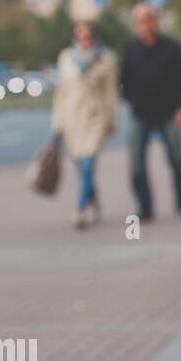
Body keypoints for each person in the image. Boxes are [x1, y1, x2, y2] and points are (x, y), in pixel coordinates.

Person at [119, 2, 181, 220]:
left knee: (176, 158)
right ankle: (145, 208)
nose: (145, 25)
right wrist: (130, 97)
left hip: (169, 113)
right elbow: (122, 81)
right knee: (136, 164)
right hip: (140, 114)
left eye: (148, 19)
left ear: (155, 22)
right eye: (140, 21)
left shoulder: (172, 47)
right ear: (136, 25)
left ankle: (180, 200)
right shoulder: (130, 50)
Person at [50, 21, 119, 228]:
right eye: (80, 36)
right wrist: (57, 123)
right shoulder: (66, 57)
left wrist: (112, 121)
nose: (84, 40)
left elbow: (111, 93)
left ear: (94, 37)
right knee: (82, 168)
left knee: (89, 164)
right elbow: (61, 93)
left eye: (87, 36)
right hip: (72, 119)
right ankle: (94, 202)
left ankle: (80, 210)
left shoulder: (106, 58)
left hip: (95, 117)